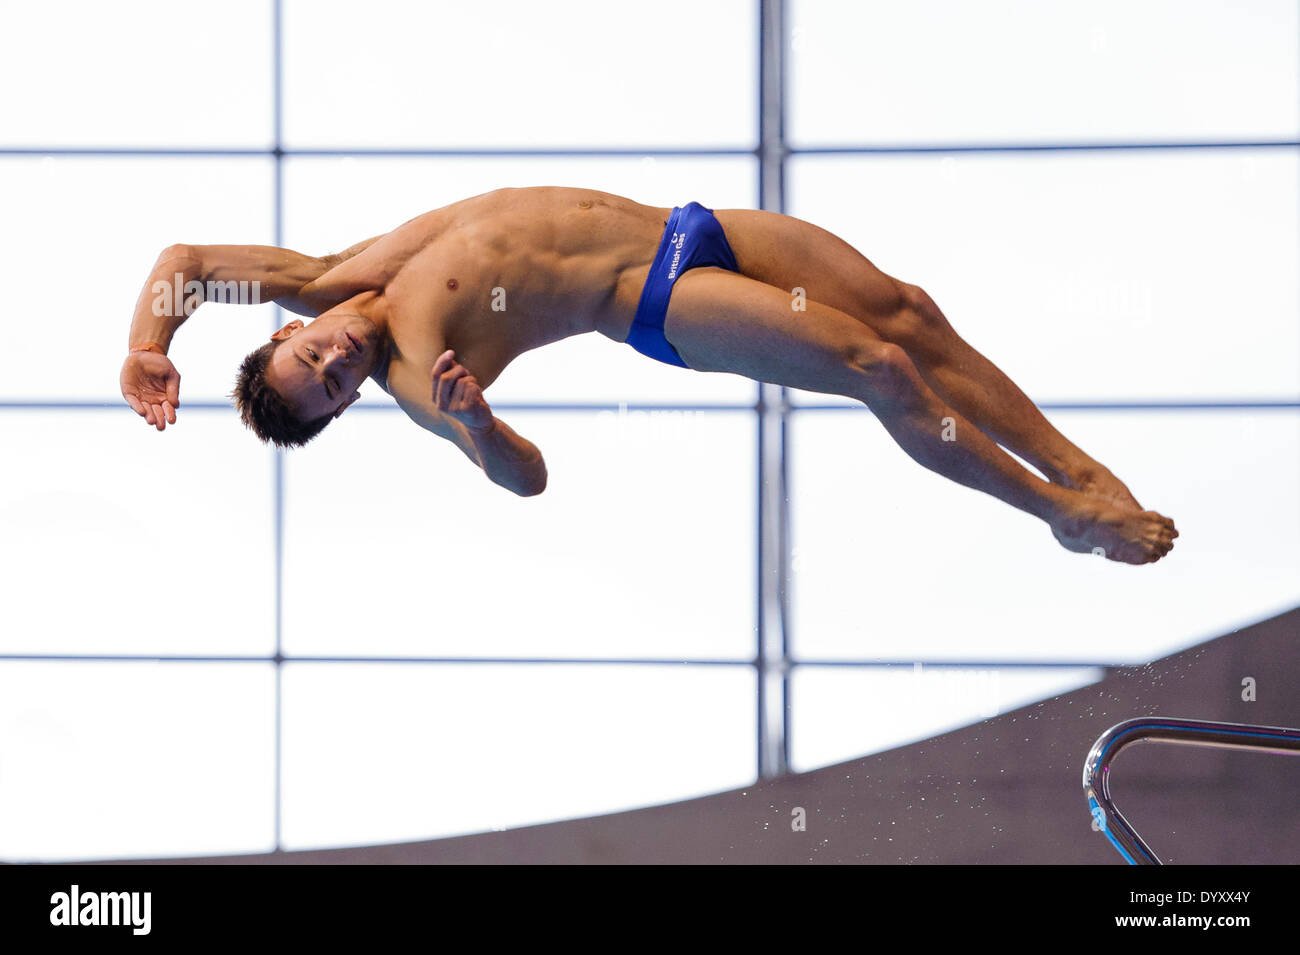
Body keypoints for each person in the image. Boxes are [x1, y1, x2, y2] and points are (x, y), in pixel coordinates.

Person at [119, 186, 1177, 563]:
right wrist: (481, 428)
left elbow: (186, 266)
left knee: (912, 314)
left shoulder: (327, 276)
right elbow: (525, 481)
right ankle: (1055, 514)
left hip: (688, 226)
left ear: (282, 332)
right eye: (335, 389)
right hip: (657, 300)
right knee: (881, 365)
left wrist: (148, 349)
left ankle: (1085, 476)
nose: (340, 362)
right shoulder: (415, 377)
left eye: (314, 359)